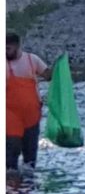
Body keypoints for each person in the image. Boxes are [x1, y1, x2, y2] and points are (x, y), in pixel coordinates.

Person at [6, 33, 51, 172]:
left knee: (30, 155)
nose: (4, 52)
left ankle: (29, 188)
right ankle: (10, 182)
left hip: (31, 114)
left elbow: (50, 76)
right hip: (9, 114)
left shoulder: (32, 60)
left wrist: (61, 67)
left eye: (8, 48)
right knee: (11, 150)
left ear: (18, 46)